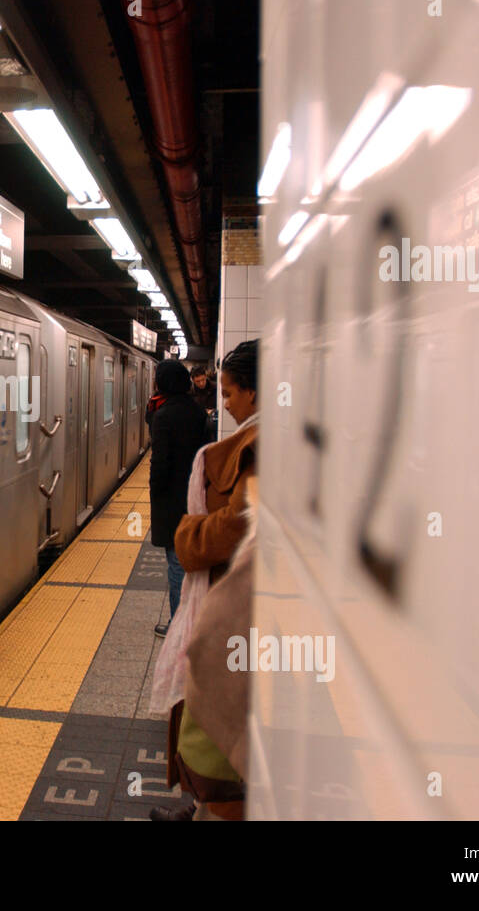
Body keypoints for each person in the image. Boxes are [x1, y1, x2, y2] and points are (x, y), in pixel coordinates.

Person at [151, 338, 259, 821]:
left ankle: (211, 806)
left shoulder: (260, 448)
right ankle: (200, 808)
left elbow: (234, 526)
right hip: (240, 598)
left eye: (232, 392)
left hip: (238, 602)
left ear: (255, 393)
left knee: (215, 716)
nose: (226, 402)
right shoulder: (222, 429)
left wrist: (183, 531)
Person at [148, 359, 208, 639]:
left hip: (171, 500)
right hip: (195, 494)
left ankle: (177, 625)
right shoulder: (196, 411)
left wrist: (155, 492)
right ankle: (189, 619)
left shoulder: (163, 416)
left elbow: (159, 463)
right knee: (185, 562)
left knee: (175, 563)